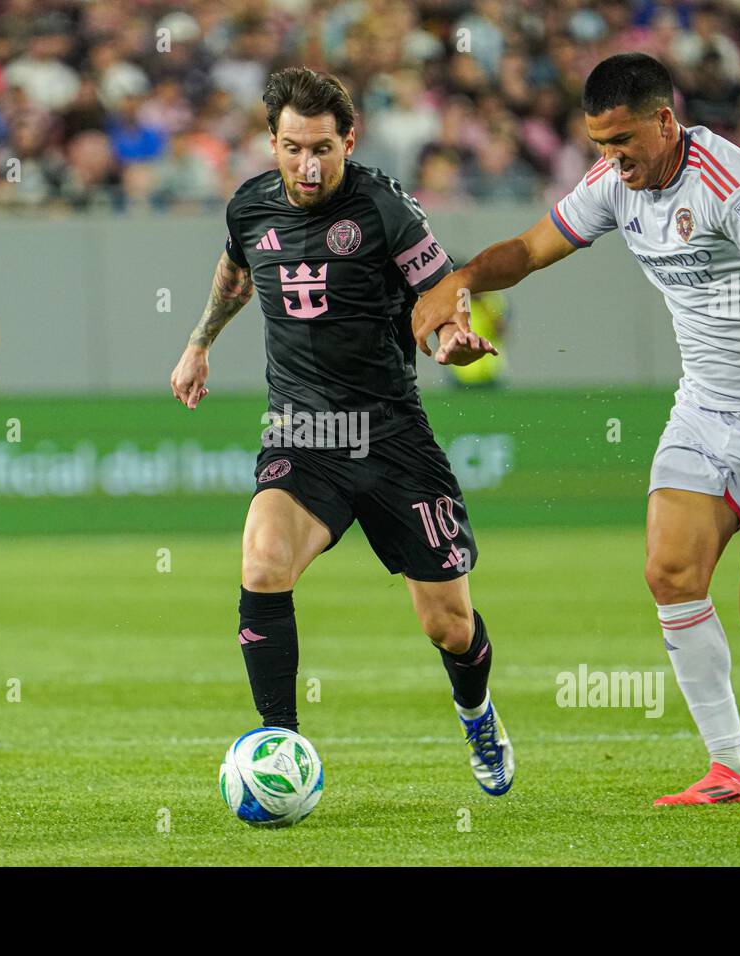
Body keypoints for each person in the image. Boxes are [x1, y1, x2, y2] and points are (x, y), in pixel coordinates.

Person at [411, 53, 740, 806]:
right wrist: (461, 279)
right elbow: (532, 250)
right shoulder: (617, 184)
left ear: (665, 121)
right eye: (599, 145)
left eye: (622, 142)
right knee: (670, 573)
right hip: (704, 412)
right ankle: (731, 770)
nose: (612, 160)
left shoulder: (722, 183)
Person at [168, 67, 514, 796]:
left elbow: (439, 291)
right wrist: (200, 342)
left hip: (391, 439)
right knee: (262, 561)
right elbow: (237, 275)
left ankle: (477, 712)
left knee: (448, 624)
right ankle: (279, 748)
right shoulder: (250, 207)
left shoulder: (386, 209)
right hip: (301, 437)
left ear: (348, 140)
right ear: (272, 142)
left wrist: (449, 335)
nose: (308, 165)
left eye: (323, 148)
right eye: (292, 148)